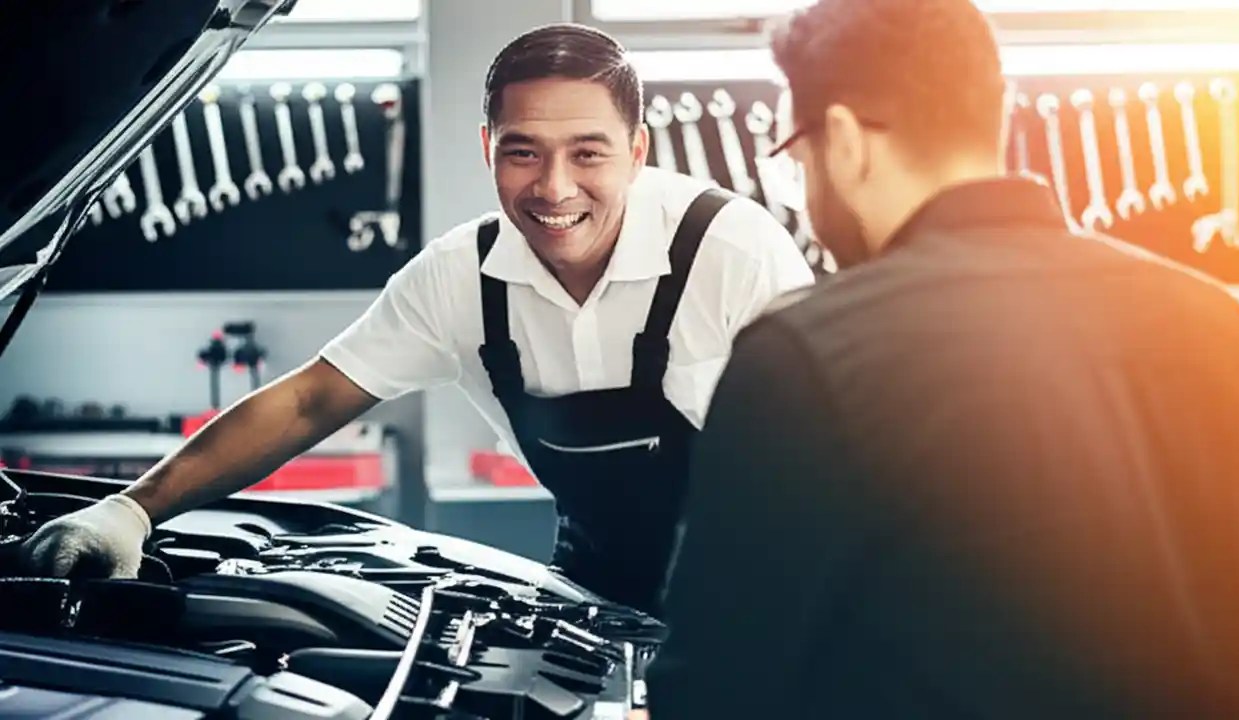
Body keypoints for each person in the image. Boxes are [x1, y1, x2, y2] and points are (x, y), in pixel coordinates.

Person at [19, 23, 814, 620]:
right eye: (523, 152)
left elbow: (833, 453)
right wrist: (131, 509)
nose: (554, 187)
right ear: (487, 147)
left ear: (637, 151)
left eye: (588, 153)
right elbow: (310, 400)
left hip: (768, 597)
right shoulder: (460, 278)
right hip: (596, 598)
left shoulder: (731, 252)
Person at [646, 0, 1239, 718]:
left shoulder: (804, 361)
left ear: (846, 142)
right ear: (995, 112)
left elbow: (713, 692)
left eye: (798, 158)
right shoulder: (1222, 327)